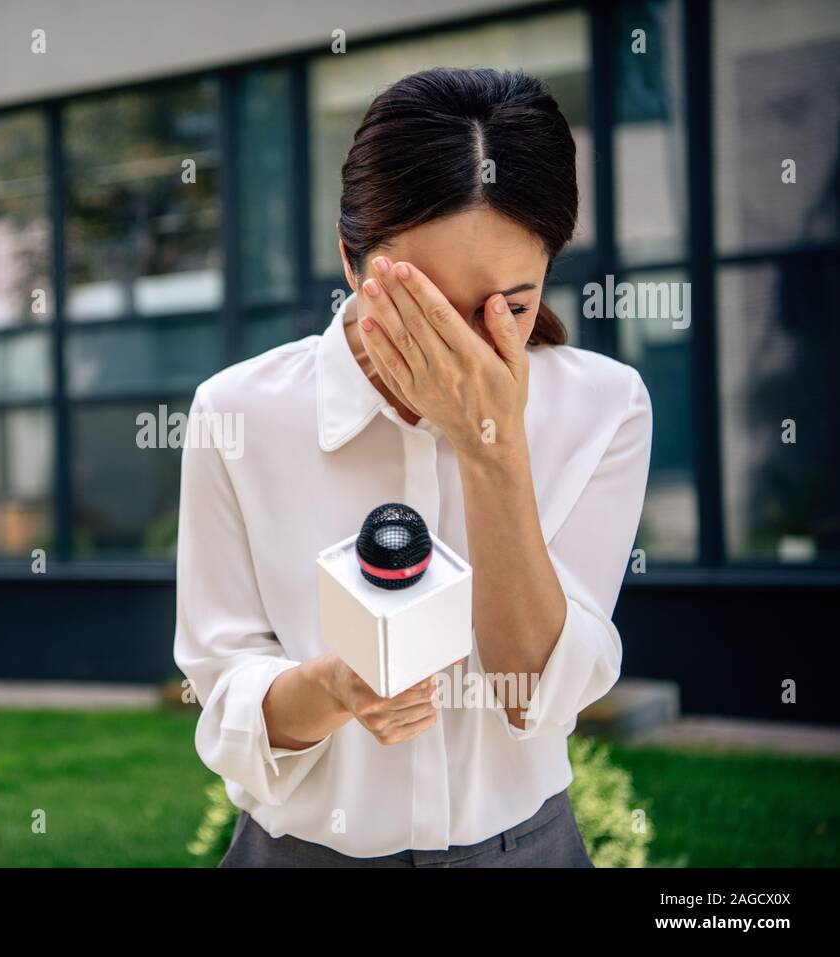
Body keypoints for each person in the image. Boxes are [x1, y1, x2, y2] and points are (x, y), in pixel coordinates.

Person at [172, 67, 652, 867]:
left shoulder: (605, 407)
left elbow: (536, 692)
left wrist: (489, 445)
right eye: (421, 304)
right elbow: (224, 699)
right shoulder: (238, 411)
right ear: (350, 259)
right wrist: (331, 691)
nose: (459, 352)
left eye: (509, 307)